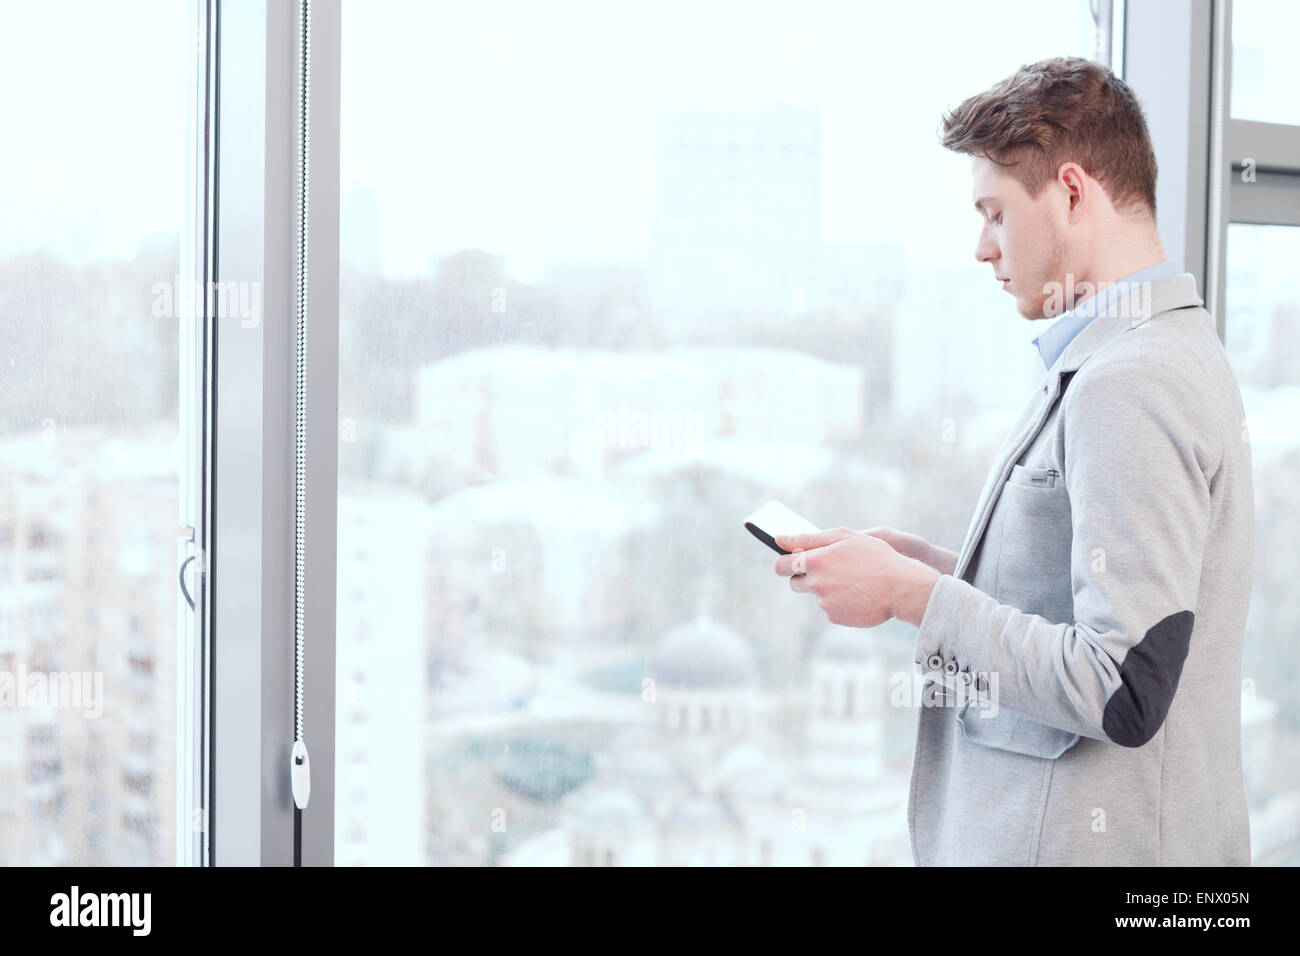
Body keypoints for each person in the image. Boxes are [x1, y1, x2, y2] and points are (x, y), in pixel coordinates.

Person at [772, 56, 1254, 866]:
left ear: (1072, 192)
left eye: (995, 214)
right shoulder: (1143, 350)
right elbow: (1105, 604)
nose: (981, 248)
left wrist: (911, 597)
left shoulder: (1129, 380)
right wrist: (933, 570)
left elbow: (1122, 683)